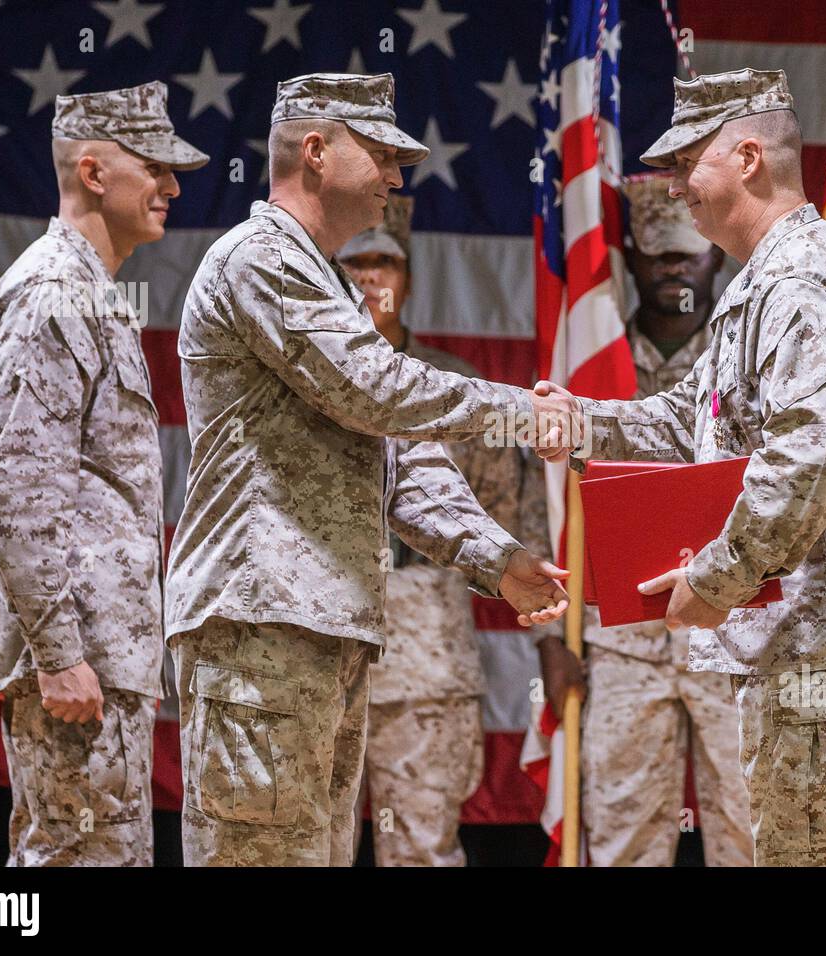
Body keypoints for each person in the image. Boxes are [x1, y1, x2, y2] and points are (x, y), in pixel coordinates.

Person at [165, 72, 569, 866]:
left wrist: (497, 558)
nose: (395, 175)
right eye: (380, 153)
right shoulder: (260, 260)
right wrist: (523, 410)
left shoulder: (332, 289)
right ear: (315, 151)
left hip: (327, 630)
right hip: (261, 631)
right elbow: (378, 389)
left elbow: (405, 456)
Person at [535, 68, 826, 866]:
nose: (674, 187)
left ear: (748, 158)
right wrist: (583, 422)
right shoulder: (764, 283)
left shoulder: (802, 281)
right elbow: (694, 421)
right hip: (797, 639)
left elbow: (807, 457)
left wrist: (715, 580)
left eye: (685, 165)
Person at [0, 81, 208, 866]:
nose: (172, 185)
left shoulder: (91, 293)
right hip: (75, 667)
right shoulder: (54, 297)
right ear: (96, 172)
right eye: (156, 166)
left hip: (101, 659)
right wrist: (60, 653)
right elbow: (14, 495)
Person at [539, 174, 750, 866]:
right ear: (631, 258)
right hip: (620, 640)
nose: (673, 269)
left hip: (731, 634)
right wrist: (550, 637)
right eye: (658, 256)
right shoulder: (592, 358)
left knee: (748, 834)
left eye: (687, 255)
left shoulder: (749, 363)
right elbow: (535, 499)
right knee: (624, 838)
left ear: (715, 258)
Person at [338, 195, 520, 866]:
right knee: (299, 847)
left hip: (425, 659)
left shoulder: (456, 388)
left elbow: (500, 518)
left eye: (384, 262)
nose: (369, 279)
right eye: (352, 264)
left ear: (408, 276)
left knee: (422, 851)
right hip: (317, 652)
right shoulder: (296, 383)